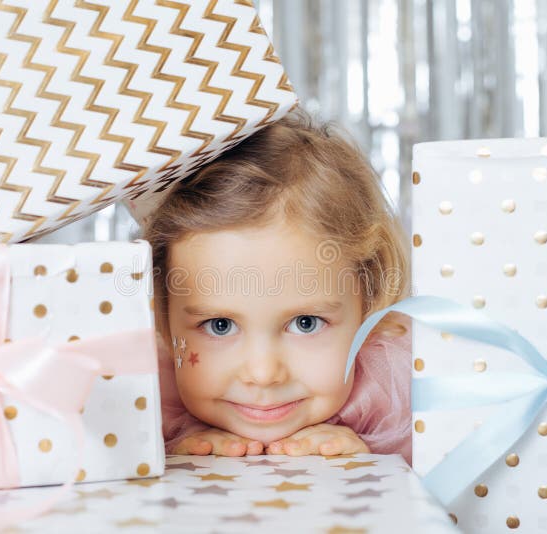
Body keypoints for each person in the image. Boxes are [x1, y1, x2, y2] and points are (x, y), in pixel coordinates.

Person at [141, 109, 412, 462]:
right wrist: (167, 459)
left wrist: (371, 460)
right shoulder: (142, 408)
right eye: (219, 326)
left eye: (306, 323)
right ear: (164, 320)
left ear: (368, 305)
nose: (263, 373)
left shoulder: (394, 409)